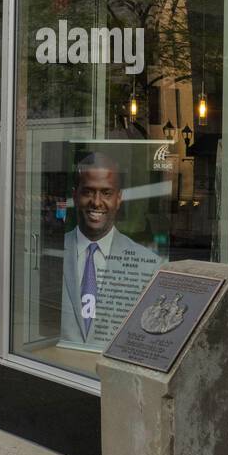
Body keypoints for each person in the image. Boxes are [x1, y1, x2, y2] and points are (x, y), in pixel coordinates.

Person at [59, 150, 164, 352]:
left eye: (106, 193)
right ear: (75, 195)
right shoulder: (53, 251)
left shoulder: (149, 265)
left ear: (119, 198)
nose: (96, 202)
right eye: (88, 191)